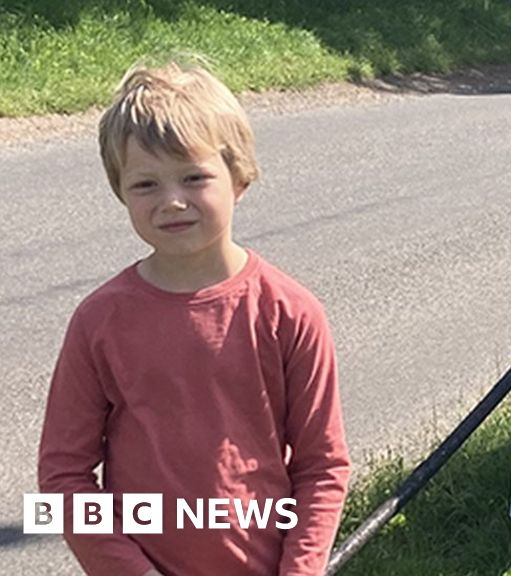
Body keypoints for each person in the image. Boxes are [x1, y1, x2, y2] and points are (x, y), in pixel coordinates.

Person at [37, 58, 350, 575]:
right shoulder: (99, 321)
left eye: (194, 177)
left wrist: (300, 569)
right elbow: (62, 475)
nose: (172, 201)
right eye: (146, 185)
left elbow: (324, 466)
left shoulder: (290, 313)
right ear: (120, 191)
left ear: (239, 179)